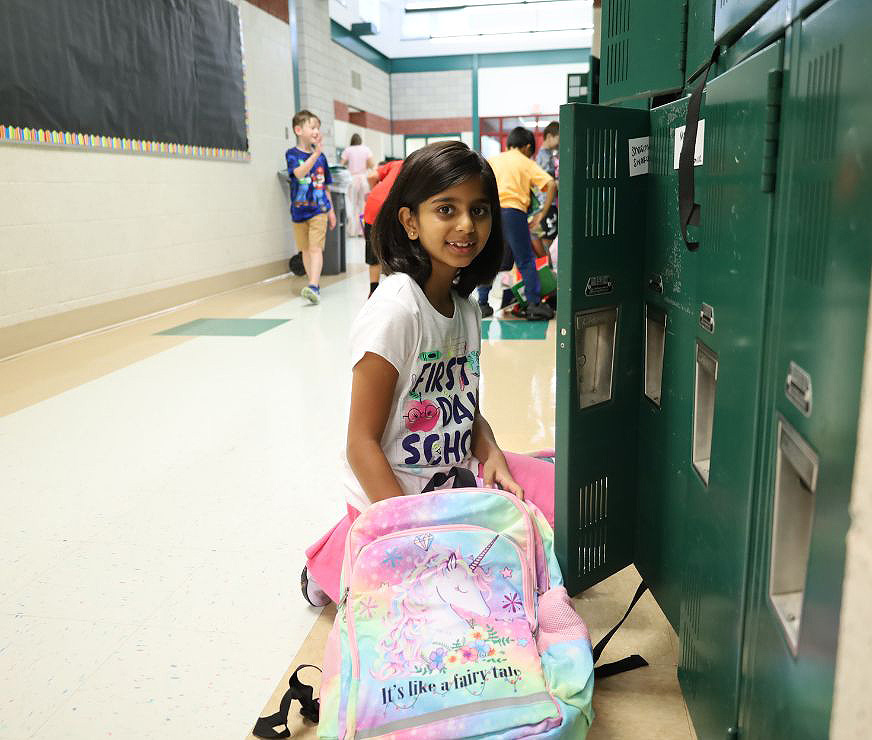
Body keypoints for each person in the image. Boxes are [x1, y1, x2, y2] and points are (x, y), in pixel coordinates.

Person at [300, 141, 556, 606]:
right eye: (446, 209)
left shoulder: (466, 308)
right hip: (394, 496)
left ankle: (357, 549)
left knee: (555, 505)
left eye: (479, 210)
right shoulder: (397, 311)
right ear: (410, 221)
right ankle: (334, 560)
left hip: (454, 478)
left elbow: (464, 404)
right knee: (454, 597)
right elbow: (360, 443)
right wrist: (411, 532)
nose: (466, 225)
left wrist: (492, 450)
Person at [476, 127, 557, 321]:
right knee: (525, 259)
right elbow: (551, 184)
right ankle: (533, 304)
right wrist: (542, 213)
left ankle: (482, 304)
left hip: (490, 211)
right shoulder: (525, 162)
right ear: (528, 147)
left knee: (490, 258)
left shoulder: (494, 160)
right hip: (513, 211)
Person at [286, 110, 336, 304]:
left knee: (315, 248)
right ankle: (312, 283)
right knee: (305, 250)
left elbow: (326, 186)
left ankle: (314, 285)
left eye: (318, 128)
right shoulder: (292, 154)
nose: (316, 131)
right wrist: (315, 155)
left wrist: (331, 211)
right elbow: (298, 173)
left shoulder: (321, 157)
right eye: (312, 127)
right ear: (298, 130)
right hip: (299, 211)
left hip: (319, 210)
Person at [362, 157, 403, 297]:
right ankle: (396, 289)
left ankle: (373, 291)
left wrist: (375, 188)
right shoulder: (418, 170)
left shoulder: (396, 163)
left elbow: (372, 175)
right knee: (397, 251)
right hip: (392, 210)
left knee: (374, 253)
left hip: (372, 206)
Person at [340, 133, 374, 237]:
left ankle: (352, 231)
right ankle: (362, 231)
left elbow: (341, 164)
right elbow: (371, 164)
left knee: (352, 205)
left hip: (352, 178)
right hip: (364, 179)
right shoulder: (366, 149)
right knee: (363, 205)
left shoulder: (348, 150)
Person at [535, 121, 560, 250]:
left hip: (547, 204)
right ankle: (549, 267)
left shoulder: (547, 155)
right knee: (549, 239)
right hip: (547, 203)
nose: (559, 144)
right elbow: (548, 183)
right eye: (558, 140)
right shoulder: (545, 157)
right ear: (549, 136)